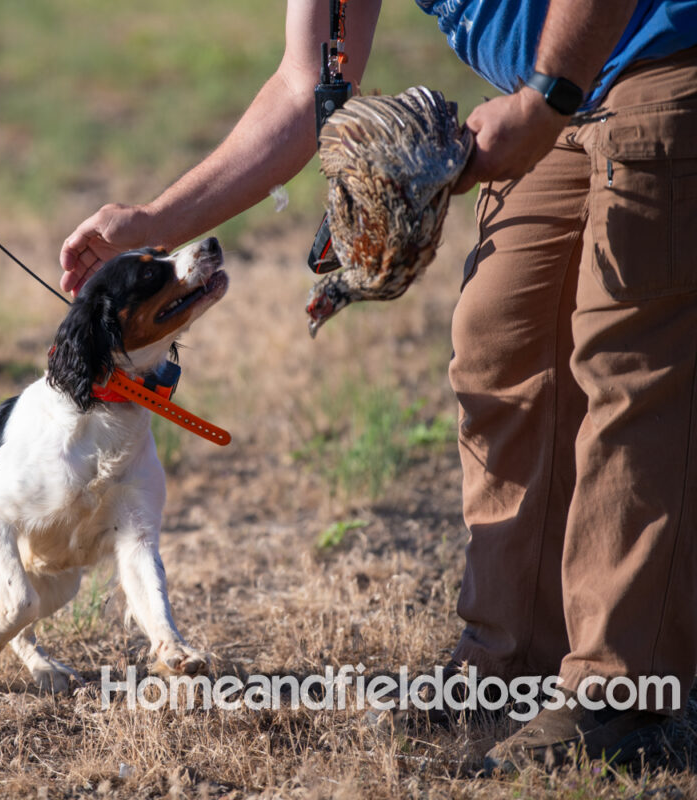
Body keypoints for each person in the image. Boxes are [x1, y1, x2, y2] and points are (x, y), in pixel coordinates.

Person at [58, 0, 697, 772]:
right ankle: (514, 657)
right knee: (499, 342)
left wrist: (542, 101)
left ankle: (622, 695)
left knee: (625, 359)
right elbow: (305, 88)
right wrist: (151, 222)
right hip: (564, 91)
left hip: (661, 61)